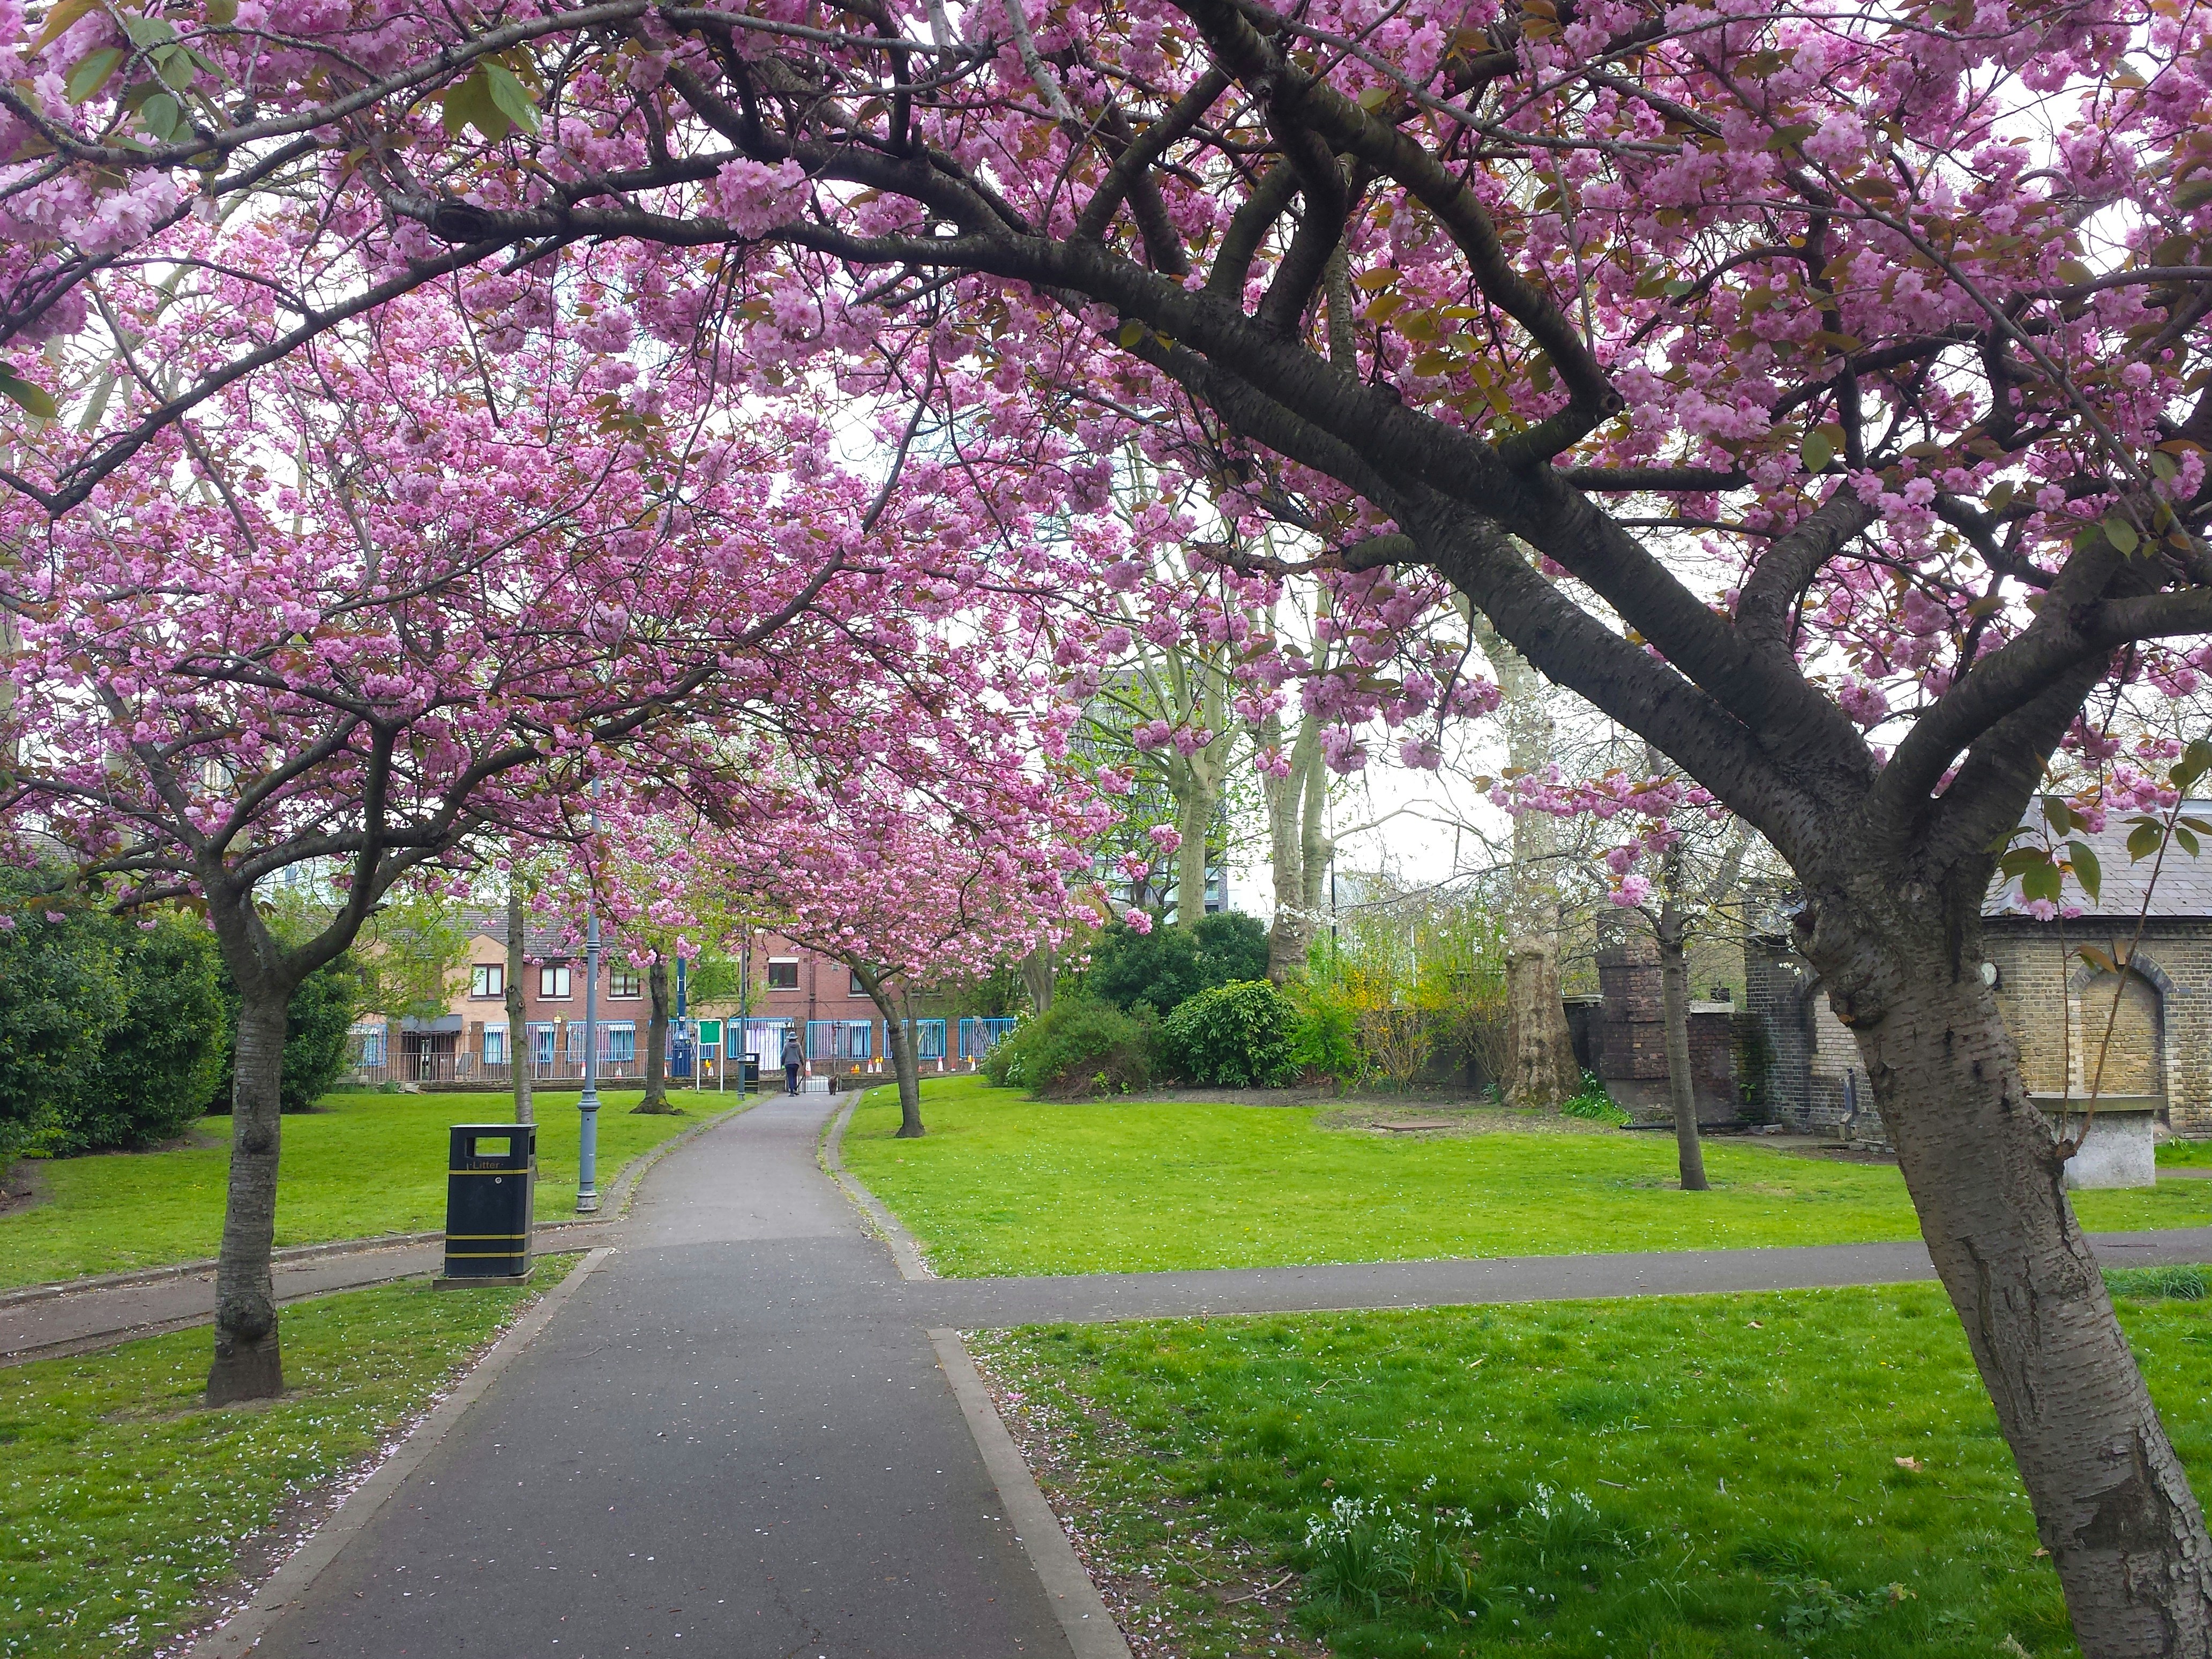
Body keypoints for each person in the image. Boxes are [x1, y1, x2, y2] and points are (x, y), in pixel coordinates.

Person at [781, 1029, 803, 1095]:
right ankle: (795, 1089)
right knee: (794, 1076)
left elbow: (783, 1055)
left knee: (790, 1077)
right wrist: (802, 1062)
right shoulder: (798, 1045)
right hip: (796, 1063)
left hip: (788, 1063)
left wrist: (782, 1062)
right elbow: (801, 1055)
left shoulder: (787, 1045)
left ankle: (792, 1092)